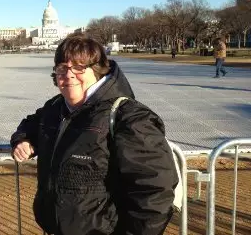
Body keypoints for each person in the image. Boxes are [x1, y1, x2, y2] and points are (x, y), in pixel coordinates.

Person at [10, 33, 178, 235]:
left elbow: (155, 190)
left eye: (79, 67)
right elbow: (33, 123)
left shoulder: (128, 116)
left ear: (97, 70)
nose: (69, 75)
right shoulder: (56, 107)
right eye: (62, 68)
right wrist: (23, 139)